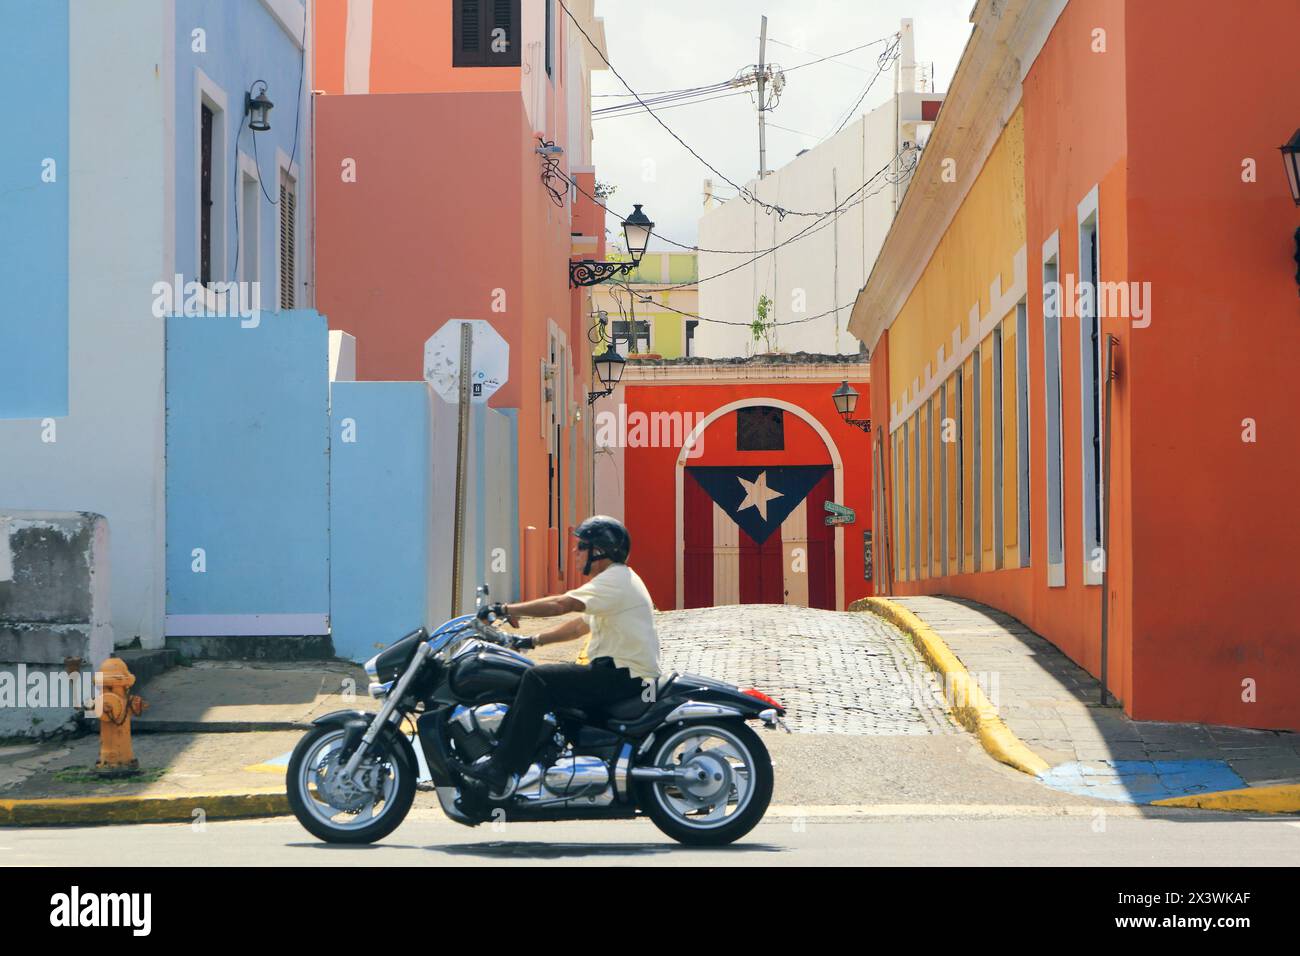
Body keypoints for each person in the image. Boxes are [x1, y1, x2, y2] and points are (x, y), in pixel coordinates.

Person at [464, 515, 660, 793]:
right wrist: (530, 641)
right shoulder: (617, 582)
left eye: (581, 546)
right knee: (544, 681)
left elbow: (560, 604)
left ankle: (501, 768)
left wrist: (504, 609)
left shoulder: (614, 579)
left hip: (623, 677)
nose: (574, 552)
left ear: (600, 551)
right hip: (625, 675)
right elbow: (579, 626)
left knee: (537, 679)